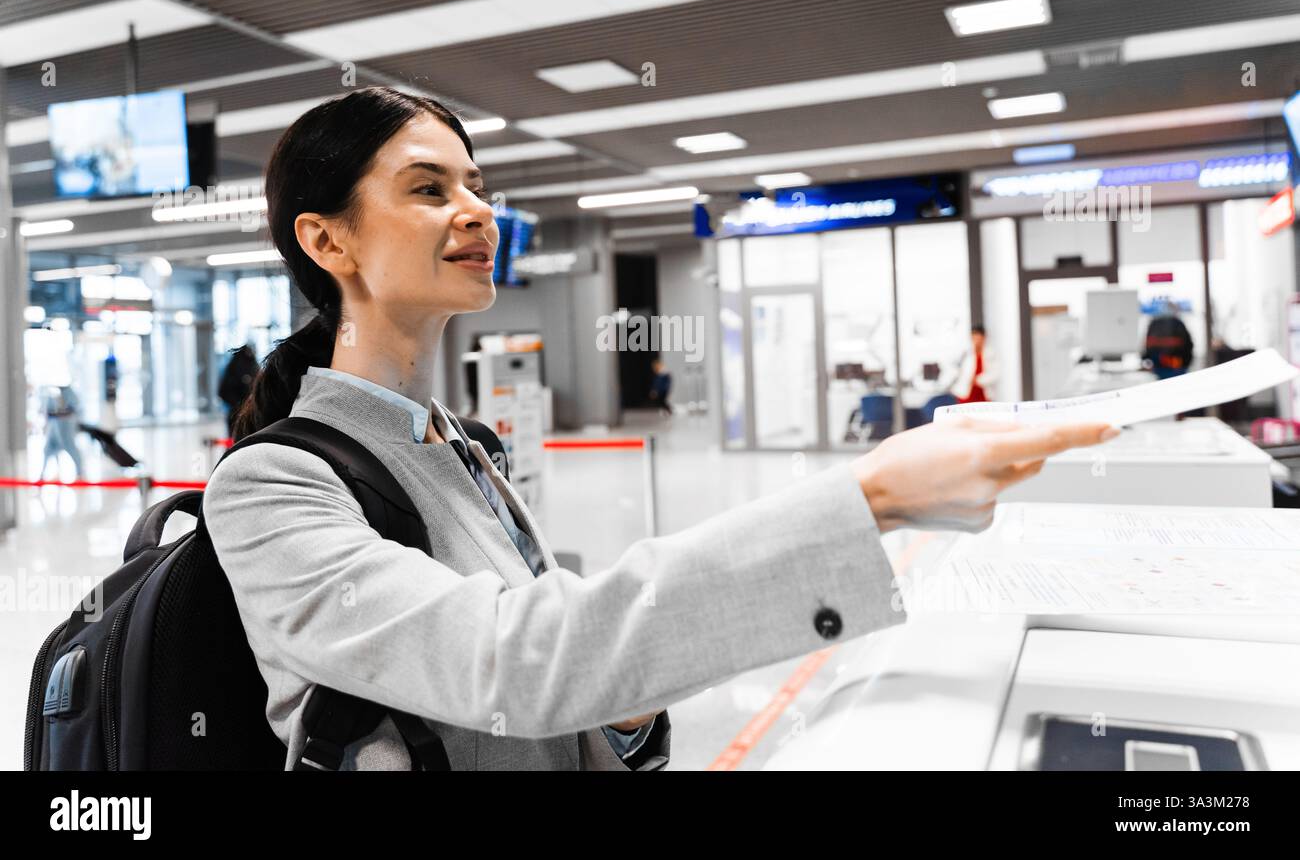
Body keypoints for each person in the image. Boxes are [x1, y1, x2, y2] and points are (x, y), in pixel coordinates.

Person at [203, 87, 1115, 772]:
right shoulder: (269, 488)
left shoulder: (463, 446)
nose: (478, 210)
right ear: (329, 242)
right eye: (428, 189)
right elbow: (509, 660)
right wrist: (868, 500)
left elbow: (567, 670)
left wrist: (626, 714)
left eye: (476, 186)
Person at [41, 384, 83, 480]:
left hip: (66, 429)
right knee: (48, 450)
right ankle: (42, 475)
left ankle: (80, 473)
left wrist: (59, 413)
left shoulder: (69, 393)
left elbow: (73, 409)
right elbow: (48, 412)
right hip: (54, 428)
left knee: (71, 449)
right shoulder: (51, 393)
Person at [1143, 300, 1194, 381]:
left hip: (1163, 367)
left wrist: (1147, 359)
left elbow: (1147, 345)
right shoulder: (1178, 323)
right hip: (1175, 367)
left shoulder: (1155, 323)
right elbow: (1188, 345)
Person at [218, 344, 259, 436]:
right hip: (240, 414)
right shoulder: (242, 367)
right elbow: (224, 391)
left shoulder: (252, 366)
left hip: (247, 413)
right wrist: (240, 406)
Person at [954, 324, 999, 403]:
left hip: (983, 394)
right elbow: (958, 369)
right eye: (973, 337)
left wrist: (978, 380)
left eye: (978, 337)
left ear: (983, 337)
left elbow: (995, 373)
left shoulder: (990, 353)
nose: (976, 340)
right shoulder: (966, 352)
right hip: (966, 394)